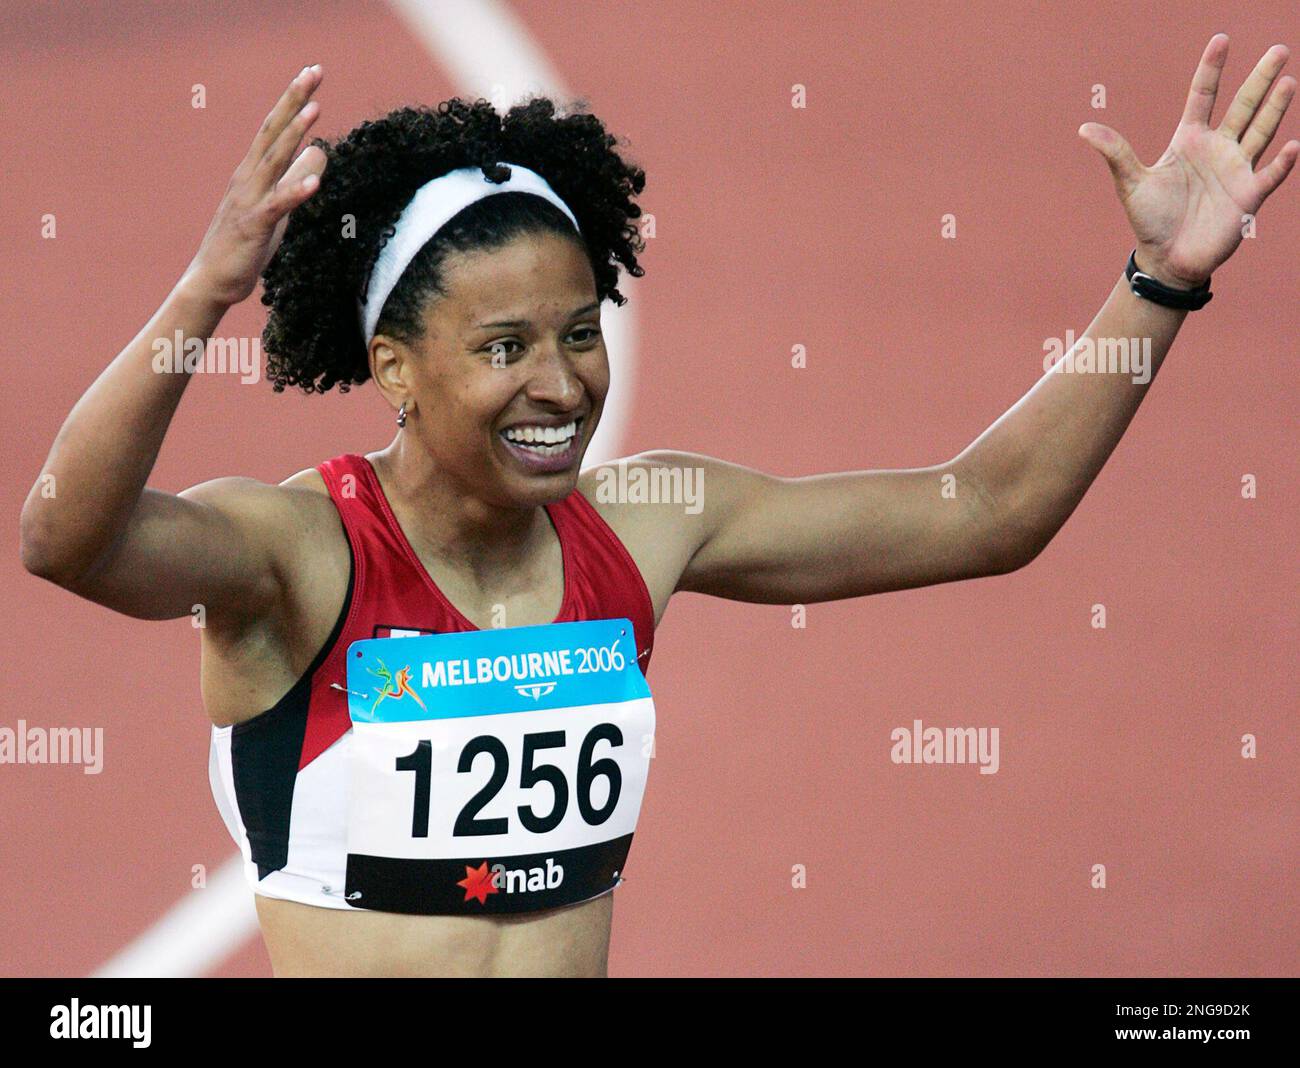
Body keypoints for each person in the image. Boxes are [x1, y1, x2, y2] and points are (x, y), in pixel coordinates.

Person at [19, 35, 1296, 977]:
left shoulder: (642, 525)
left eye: (581, 332)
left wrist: (1157, 282)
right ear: (394, 367)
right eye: (503, 346)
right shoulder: (301, 554)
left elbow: (987, 511)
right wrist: (200, 295)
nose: (560, 383)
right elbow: (62, 536)